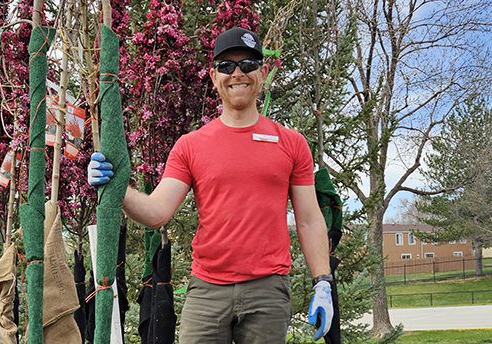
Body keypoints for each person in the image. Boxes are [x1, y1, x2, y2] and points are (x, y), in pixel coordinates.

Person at [88, 27, 333, 343]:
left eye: (247, 64)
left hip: (268, 292)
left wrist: (323, 282)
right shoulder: (191, 146)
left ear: (263, 71)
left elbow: (310, 219)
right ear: (214, 75)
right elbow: (157, 212)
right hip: (207, 292)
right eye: (226, 66)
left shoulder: (291, 143)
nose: (237, 73)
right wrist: (116, 185)